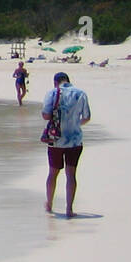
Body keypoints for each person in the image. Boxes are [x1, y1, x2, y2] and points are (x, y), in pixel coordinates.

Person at [42, 72, 91, 218]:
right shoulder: (81, 93)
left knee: (53, 173)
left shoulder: (52, 93)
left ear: (55, 82)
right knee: (71, 174)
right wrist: (75, 123)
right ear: (68, 80)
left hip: (56, 139)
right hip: (75, 140)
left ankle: (49, 204)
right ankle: (69, 209)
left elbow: (45, 115)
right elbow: (87, 117)